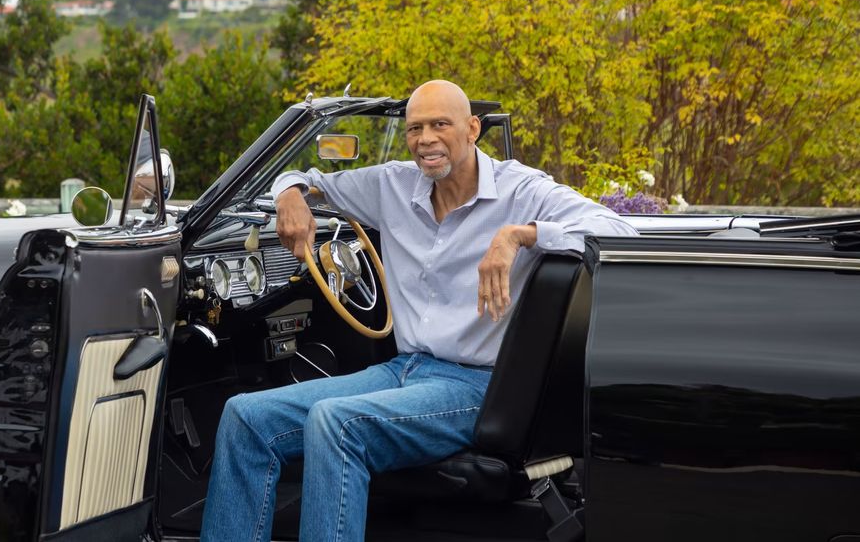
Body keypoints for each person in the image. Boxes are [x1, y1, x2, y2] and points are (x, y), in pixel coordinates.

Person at [200, 80, 637, 542]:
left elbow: (619, 231)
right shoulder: (392, 184)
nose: (425, 139)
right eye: (415, 128)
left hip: (474, 385)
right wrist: (290, 196)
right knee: (245, 417)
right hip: (401, 371)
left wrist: (519, 236)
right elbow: (307, 180)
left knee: (337, 422)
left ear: (472, 129)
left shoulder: (520, 189)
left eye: (440, 125)